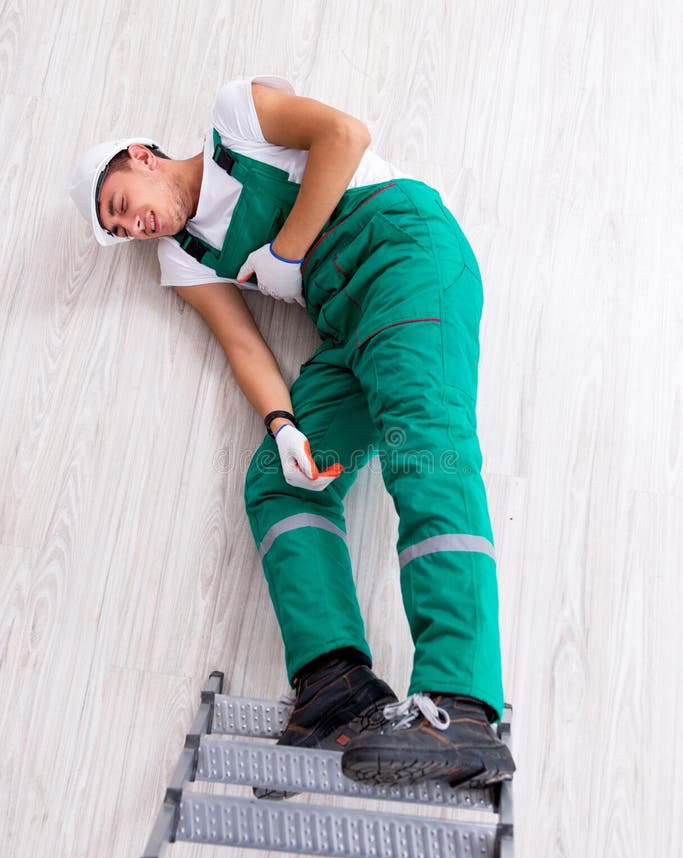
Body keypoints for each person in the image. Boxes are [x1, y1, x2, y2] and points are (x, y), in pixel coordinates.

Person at [71, 76, 515, 794]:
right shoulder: (182, 259)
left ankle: (462, 705)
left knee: (424, 453)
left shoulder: (237, 118)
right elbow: (245, 348)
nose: (134, 226)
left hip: (404, 255)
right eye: (119, 231)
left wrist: (285, 252)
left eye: (122, 206)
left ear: (139, 157)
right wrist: (282, 426)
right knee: (277, 482)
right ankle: (334, 686)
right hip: (344, 322)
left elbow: (345, 135)